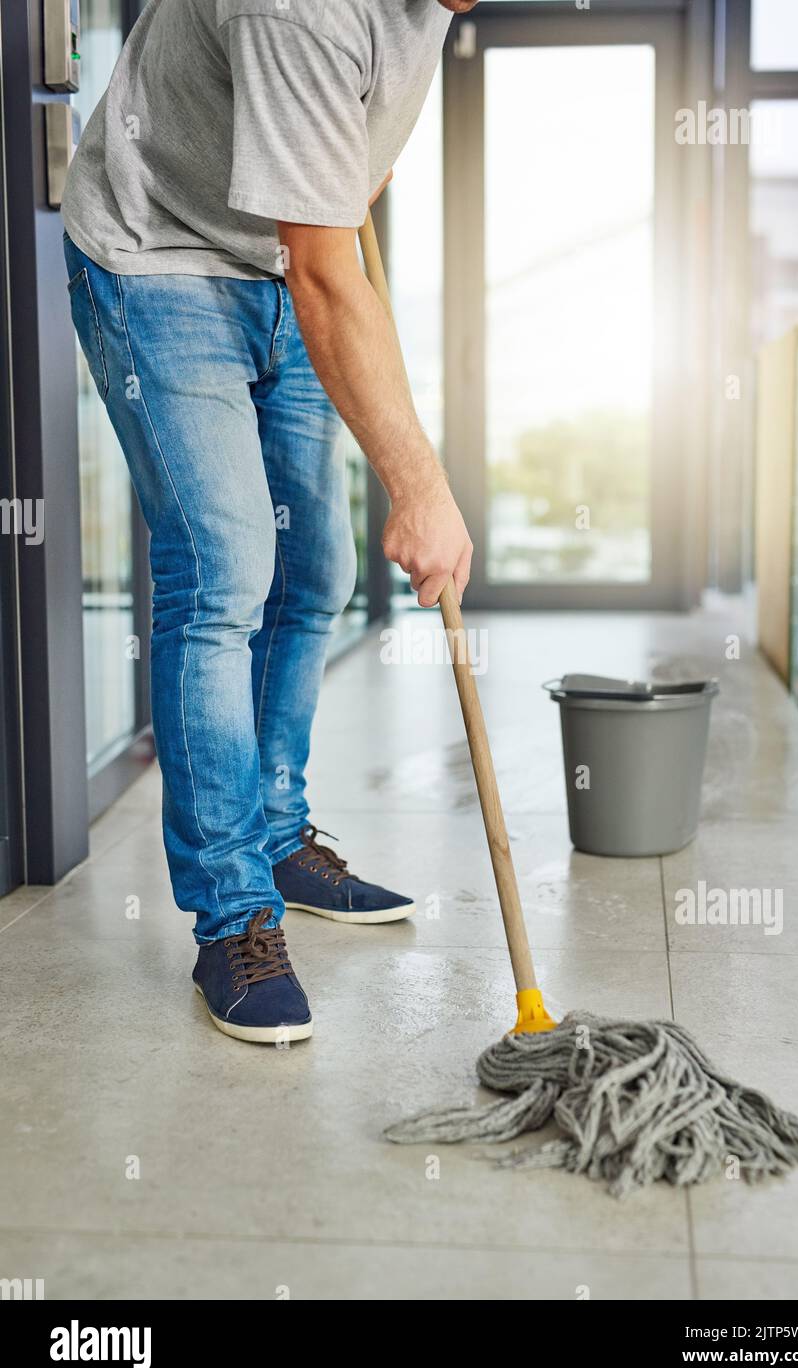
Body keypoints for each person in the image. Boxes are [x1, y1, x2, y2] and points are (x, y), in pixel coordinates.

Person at [61, 0, 479, 1043]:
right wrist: (421, 488)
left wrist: (344, 180)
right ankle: (234, 914)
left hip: (284, 259)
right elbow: (332, 271)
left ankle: (276, 830)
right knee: (225, 569)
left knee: (313, 568)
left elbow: (350, 173)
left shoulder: (438, 5)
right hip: (157, 253)